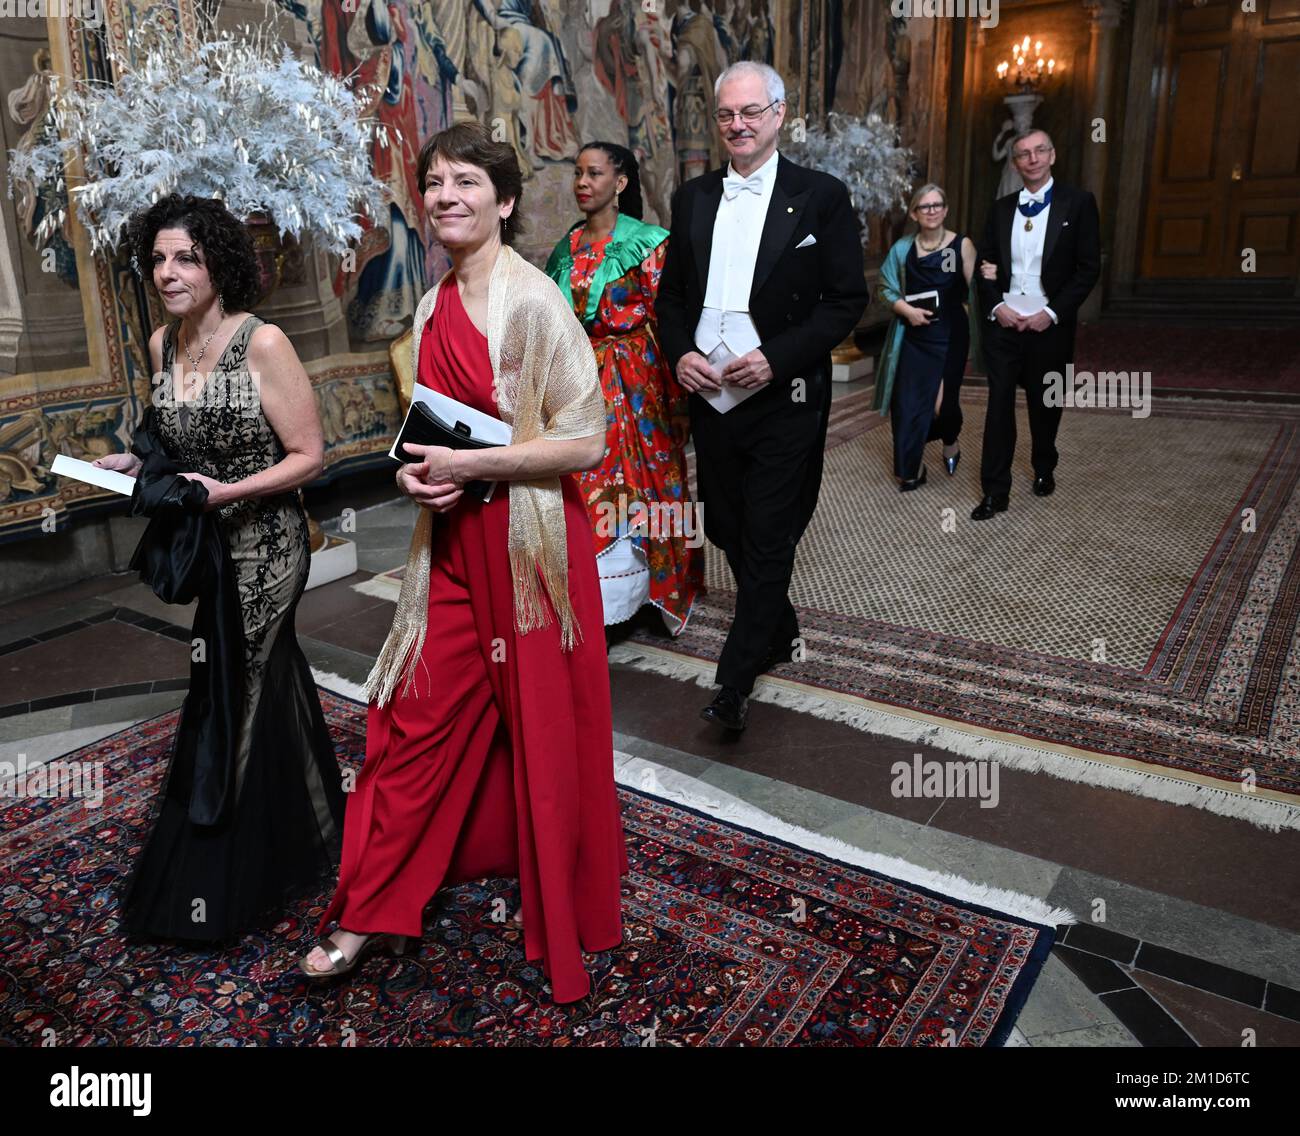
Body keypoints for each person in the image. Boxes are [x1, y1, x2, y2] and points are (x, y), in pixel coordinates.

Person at [301, 122, 628, 1005]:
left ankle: (560, 903)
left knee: (543, 732)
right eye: (435, 183)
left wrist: (473, 468)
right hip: (448, 552)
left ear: (506, 200)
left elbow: (587, 439)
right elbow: (434, 438)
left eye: (467, 182)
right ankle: (371, 907)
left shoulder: (534, 303)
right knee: (409, 719)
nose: (448, 196)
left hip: (529, 553)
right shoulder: (430, 307)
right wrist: (420, 477)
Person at [95, 193, 345, 941]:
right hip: (207, 546)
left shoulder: (260, 342)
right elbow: (171, 442)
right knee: (263, 676)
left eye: (186, 258)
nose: (168, 273)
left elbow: (308, 458)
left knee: (232, 687)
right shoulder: (159, 345)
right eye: (159, 259)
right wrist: (133, 460)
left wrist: (229, 490)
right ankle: (313, 823)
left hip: (267, 544)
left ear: (218, 265)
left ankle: (221, 874)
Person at [656, 60, 869, 732]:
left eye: (751, 111)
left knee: (770, 530)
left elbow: (845, 302)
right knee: (724, 524)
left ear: (779, 114)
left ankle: (734, 683)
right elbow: (672, 301)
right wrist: (681, 353)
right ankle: (777, 625)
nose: (738, 124)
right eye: (726, 114)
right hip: (712, 399)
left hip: (786, 394)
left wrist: (775, 360)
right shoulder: (690, 198)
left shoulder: (822, 196)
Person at [545, 140, 703, 639]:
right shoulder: (565, 248)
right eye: (577, 173)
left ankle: (656, 589)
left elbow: (669, 318)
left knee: (648, 479)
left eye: (593, 174)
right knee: (586, 482)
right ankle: (601, 600)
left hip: (637, 382)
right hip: (579, 380)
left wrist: (677, 392)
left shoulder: (649, 242)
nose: (582, 183)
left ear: (620, 183)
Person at [971, 128, 1101, 520]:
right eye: (1024, 154)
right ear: (1015, 163)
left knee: (1045, 405)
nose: (1033, 159)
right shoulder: (1000, 209)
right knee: (998, 407)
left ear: (1052, 155)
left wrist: (1052, 313)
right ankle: (995, 492)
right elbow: (984, 267)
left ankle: (1044, 465)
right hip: (1005, 326)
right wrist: (996, 308)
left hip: (1050, 325)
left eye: (1040, 150)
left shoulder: (1078, 203)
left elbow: (1088, 268)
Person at [873, 184, 982, 489]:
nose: (932, 211)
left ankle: (950, 440)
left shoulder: (962, 245)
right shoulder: (902, 249)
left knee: (942, 407)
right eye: (925, 206)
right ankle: (911, 470)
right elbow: (884, 288)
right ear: (914, 213)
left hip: (950, 336)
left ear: (945, 210)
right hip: (911, 336)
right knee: (907, 403)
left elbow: (976, 294)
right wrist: (906, 311)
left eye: (937, 205)